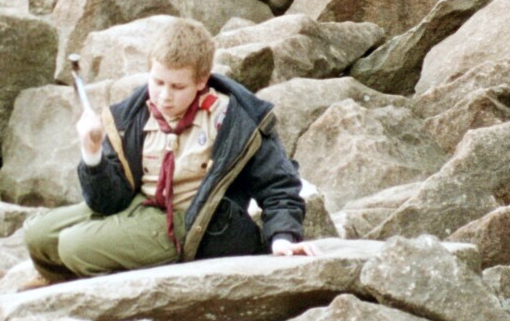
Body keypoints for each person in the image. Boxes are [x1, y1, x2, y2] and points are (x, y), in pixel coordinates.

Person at [23, 17, 314, 282]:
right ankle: (62, 282)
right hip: (140, 203)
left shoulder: (236, 120)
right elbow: (107, 202)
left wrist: (282, 237)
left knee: (74, 247)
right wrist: (92, 153)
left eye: (177, 87)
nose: (164, 96)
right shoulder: (131, 116)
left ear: (201, 81)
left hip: (191, 222)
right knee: (37, 235)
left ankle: (89, 281)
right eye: (158, 82)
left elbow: (279, 184)